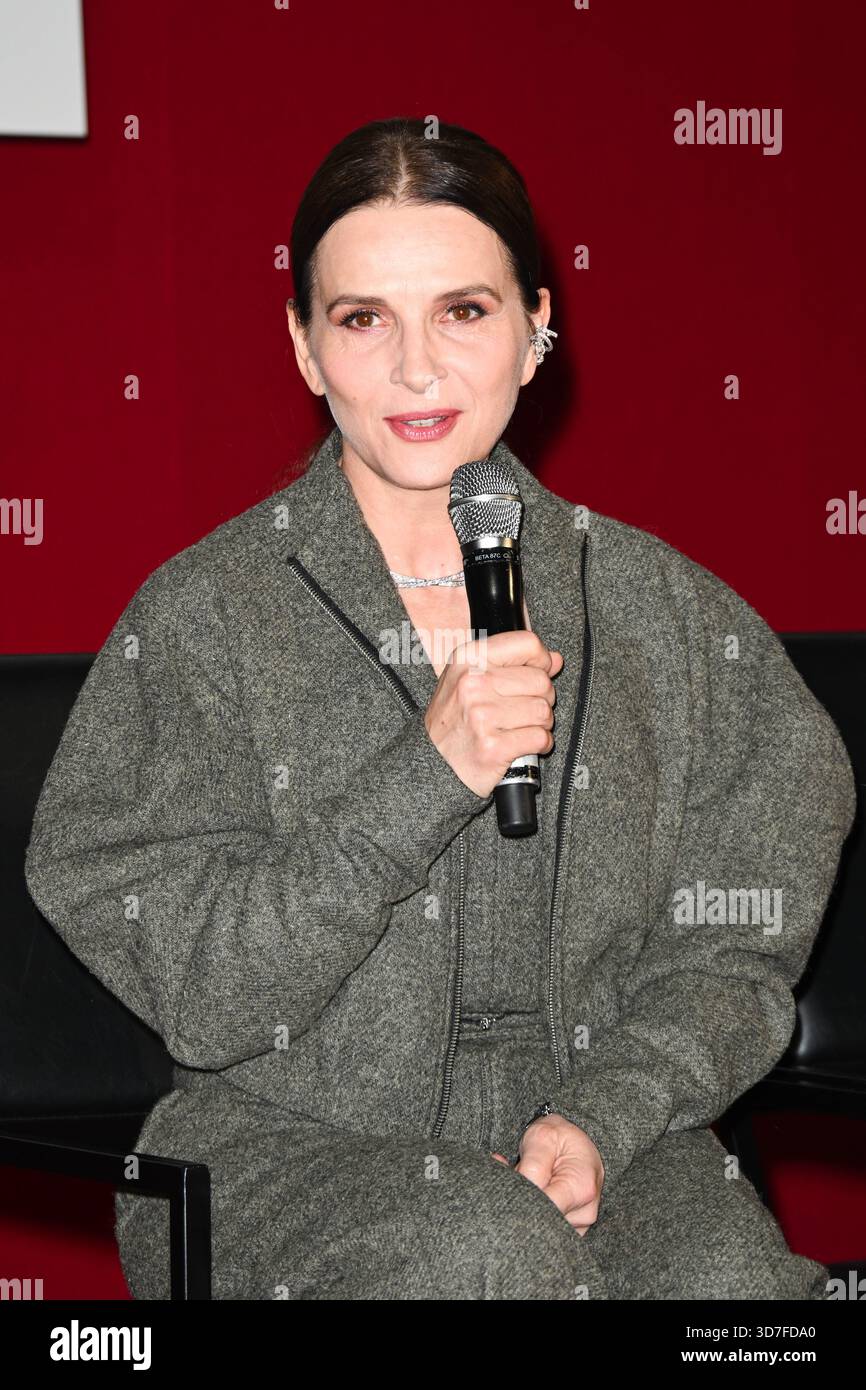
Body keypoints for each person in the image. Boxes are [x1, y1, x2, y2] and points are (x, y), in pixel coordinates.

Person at [24, 117, 855, 1300]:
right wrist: (427, 772)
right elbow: (207, 997)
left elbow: (734, 947)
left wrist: (607, 1112)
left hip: (601, 1137)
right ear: (307, 351)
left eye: (464, 311)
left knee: (734, 1289)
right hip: (285, 1152)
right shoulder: (207, 617)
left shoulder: (669, 618)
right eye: (363, 320)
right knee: (478, 1253)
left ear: (536, 328)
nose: (418, 370)